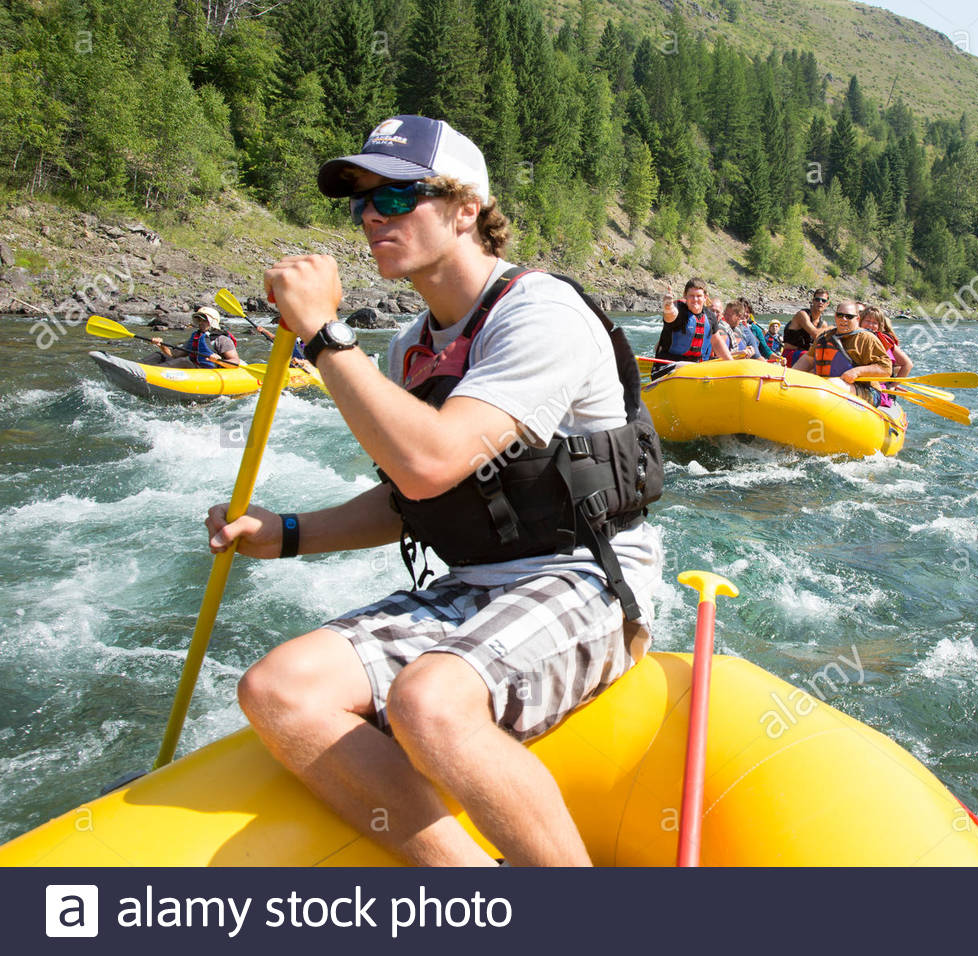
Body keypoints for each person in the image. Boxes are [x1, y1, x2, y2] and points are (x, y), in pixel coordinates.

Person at [204, 115, 664, 867]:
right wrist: (286, 533)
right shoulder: (406, 347)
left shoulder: (539, 312)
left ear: (465, 209)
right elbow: (408, 499)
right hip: (477, 583)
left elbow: (432, 461)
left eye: (396, 197)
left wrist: (322, 331)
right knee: (276, 690)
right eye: (360, 203)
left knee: (428, 701)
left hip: (588, 577)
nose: (370, 218)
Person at [793, 300, 892, 403]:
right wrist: (792, 374)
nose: (843, 319)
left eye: (849, 316)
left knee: (832, 384)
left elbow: (886, 369)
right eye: (840, 315)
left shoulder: (867, 339)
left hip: (866, 390)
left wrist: (857, 371)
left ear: (857, 319)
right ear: (835, 316)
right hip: (826, 385)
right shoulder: (824, 337)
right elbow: (809, 359)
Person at [653, 278, 715, 379]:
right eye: (691, 295)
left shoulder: (710, 316)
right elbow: (670, 315)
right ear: (685, 296)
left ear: (705, 297)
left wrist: (731, 363)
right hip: (666, 368)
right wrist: (668, 306)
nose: (695, 299)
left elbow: (717, 343)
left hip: (695, 370)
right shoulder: (679, 309)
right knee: (697, 368)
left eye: (699, 296)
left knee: (700, 368)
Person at [858, 305, 912, 408]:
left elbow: (907, 364)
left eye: (874, 323)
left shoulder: (885, 342)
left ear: (879, 326)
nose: (870, 325)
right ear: (860, 321)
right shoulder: (852, 337)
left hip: (876, 389)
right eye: (867, 321)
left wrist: (892, 386)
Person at [151, 307, 241, 368]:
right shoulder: (196, 337)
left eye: (204, 320)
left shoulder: (222, 339)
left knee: (183, 361)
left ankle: (151, 374)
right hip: (196, 370)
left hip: (211, 373)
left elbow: (235, 362)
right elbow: (174, 355)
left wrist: (219, 361)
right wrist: (161, 345)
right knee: (160, 355)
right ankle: (139, 367)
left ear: (212, 322)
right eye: (199, 320)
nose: (201, 323)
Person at [782, 289, 830, 366]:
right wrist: (834, 329)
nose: (820, 302)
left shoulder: (823, 324)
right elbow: (815, 334)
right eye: (817, 299)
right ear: (813, 301)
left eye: (823, 300)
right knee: (815, 359)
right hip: (790, 354)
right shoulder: (802, 315)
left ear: (827, 303)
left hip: (806, 355)